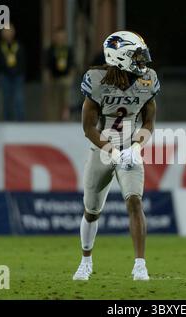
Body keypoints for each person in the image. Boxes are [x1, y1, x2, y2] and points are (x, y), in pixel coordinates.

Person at [73, 31, 160, 281]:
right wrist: (112, 151)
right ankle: (85, 262)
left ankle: (140, 265)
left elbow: (149, 122)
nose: (143, 62)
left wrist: (135, 148)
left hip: (130, 147)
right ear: (120, 57)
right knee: (91, 210)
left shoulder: (148, 80)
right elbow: (88, 128)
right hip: (102, 150)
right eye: (136, 56)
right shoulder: (97, 80)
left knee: (134, 202)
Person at [0, 24, 26, 121]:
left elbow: (23, 61)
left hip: (17, 77)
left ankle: (20, 122)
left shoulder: (18, 45)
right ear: (2, 33)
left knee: (19, 99)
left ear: (13, 32)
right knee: (6, 100)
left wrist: (21, 73)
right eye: (5, 31)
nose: (7, 33)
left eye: (9, 31)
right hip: (5, 77)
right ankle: (8, 122)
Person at [45, 28, 75, 121]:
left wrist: (71, 77)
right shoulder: (51, 49)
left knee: (66, 100)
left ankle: (66, 118)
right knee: (54, 100)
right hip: (54, 78)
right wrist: (48, 77)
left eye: (62, 37)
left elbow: (72, 63)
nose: (60, 39)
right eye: (58, 37)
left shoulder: (68, 49)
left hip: (66, 78)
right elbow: (47, 64)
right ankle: (53, 119)